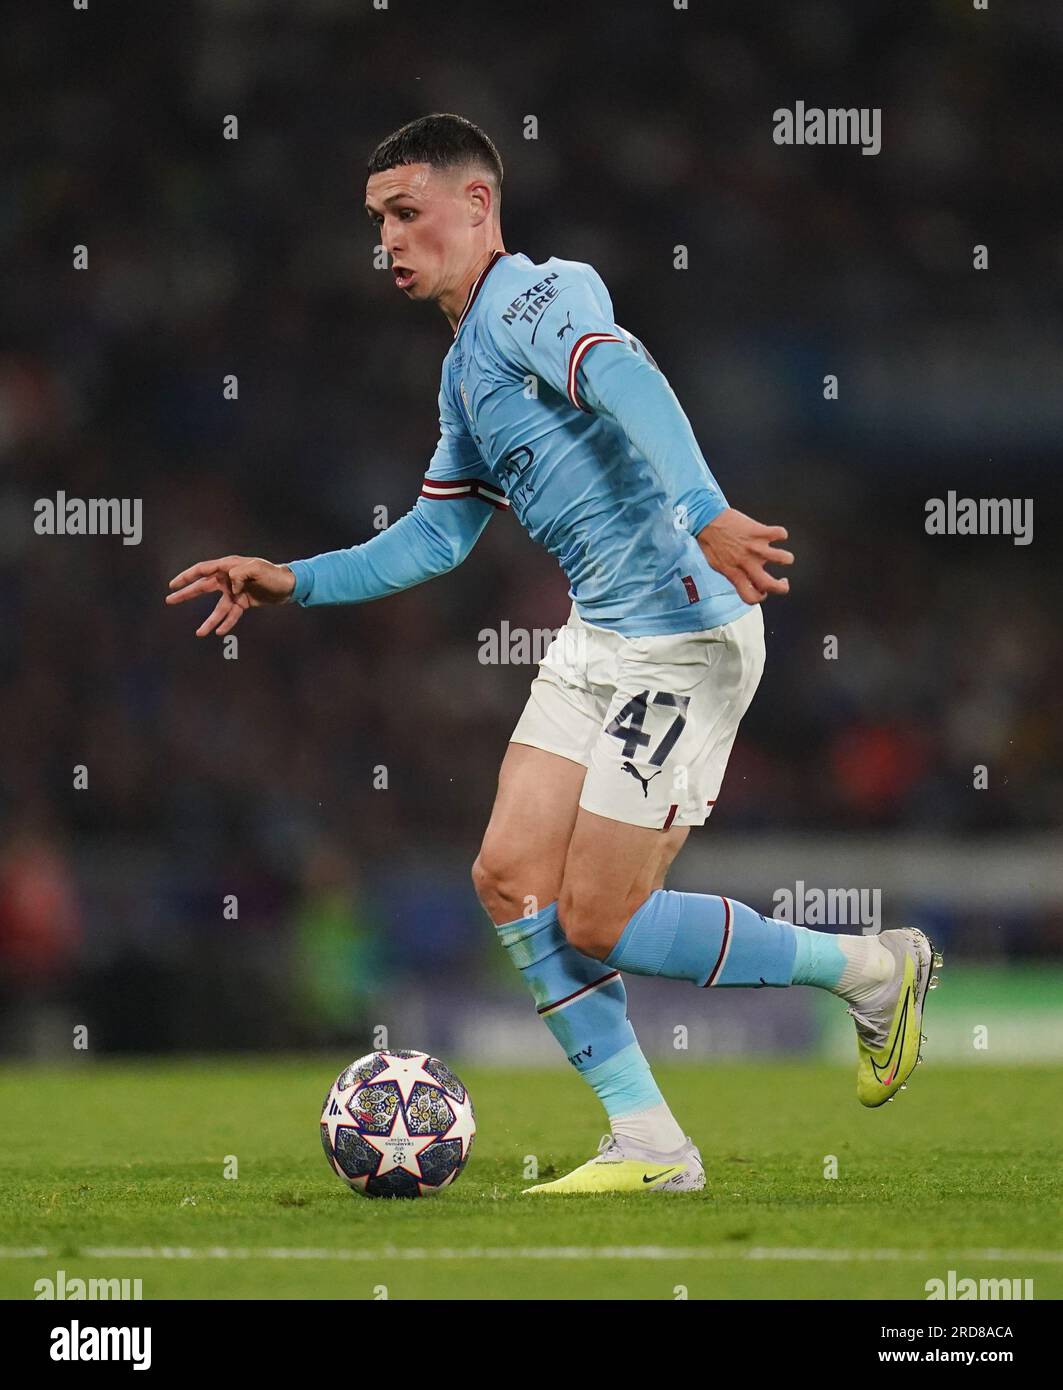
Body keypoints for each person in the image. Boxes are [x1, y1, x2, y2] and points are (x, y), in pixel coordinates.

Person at [167, 113, 940, 1194]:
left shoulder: (537, 296)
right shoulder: (461, 375)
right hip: (600, 636)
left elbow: (621, 375)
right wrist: (291, 578)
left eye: (404, 212)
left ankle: (870, 967)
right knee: (508, 877)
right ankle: (651, 1145)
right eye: (375, 221)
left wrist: (706, 508)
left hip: (680, 635)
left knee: (600, 919)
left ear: (476, 205)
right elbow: (435, 537)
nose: (385, 240)